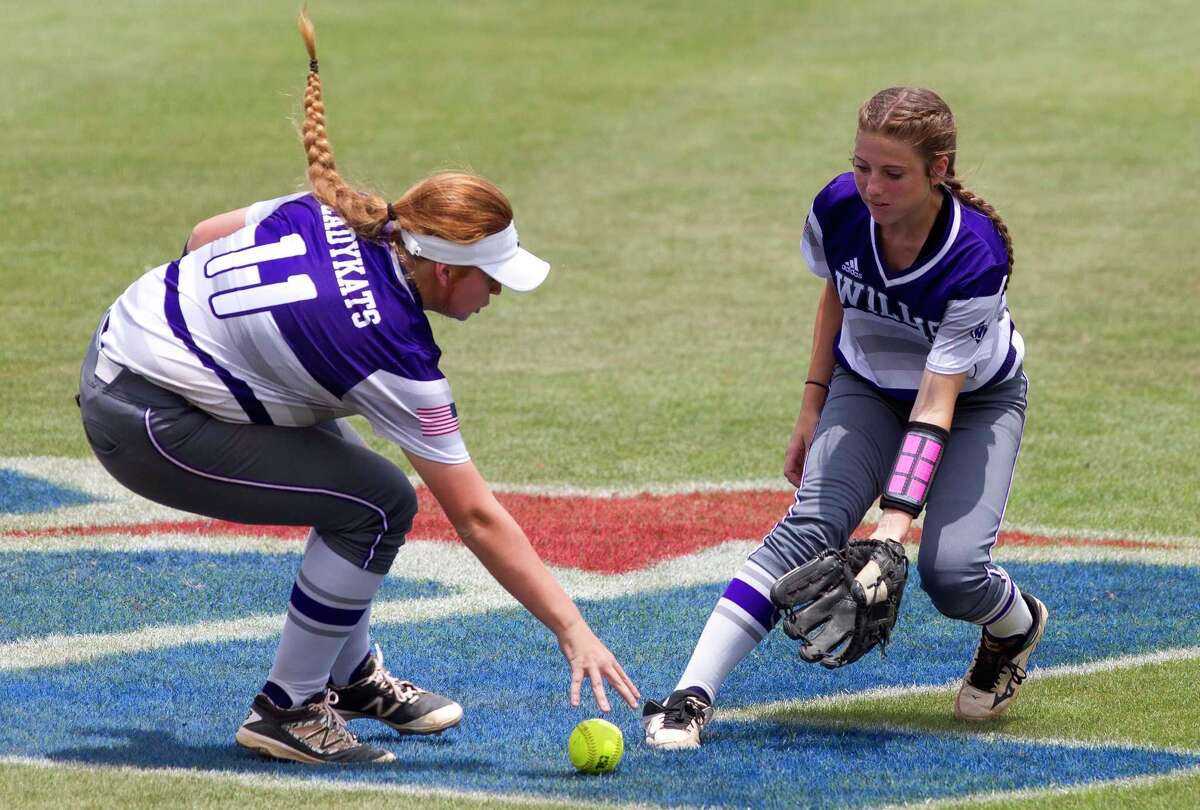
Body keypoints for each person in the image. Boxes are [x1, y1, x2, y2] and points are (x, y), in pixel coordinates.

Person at [76, 10, 639, 765]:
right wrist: (573, 625)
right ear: (442, 269)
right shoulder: (393, 351)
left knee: (343, 469)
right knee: (379, 504)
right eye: (492, 277)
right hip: (144, 420)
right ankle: (289, 708)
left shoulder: (337, 212)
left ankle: (346, 676)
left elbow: (204, 237)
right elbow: (474, 515)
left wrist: (224, 346)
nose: (499, 292)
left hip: (122, 347)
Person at [642, 87, 1046, 749]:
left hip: (973, 404)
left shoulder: (974, 255)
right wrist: (811, 402)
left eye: (892, 173)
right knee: (809, 528)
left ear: (938, 169)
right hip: (864, 384)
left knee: (952, 573)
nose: (871, 187)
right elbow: (839, 291)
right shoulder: (838, 205)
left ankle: (1015, 626)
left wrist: (891, 528)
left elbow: (937, 400)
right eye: (862, 166)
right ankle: (691, 695)